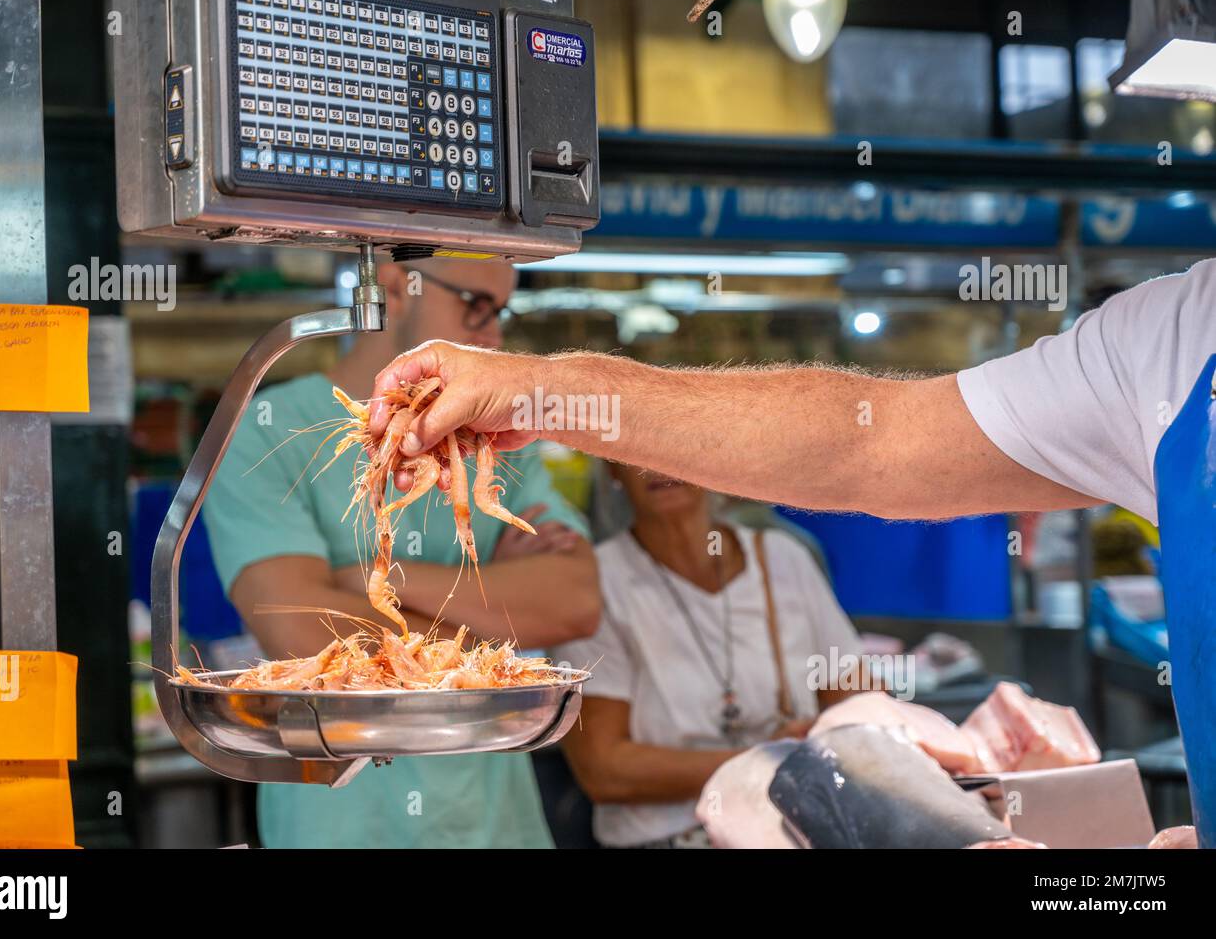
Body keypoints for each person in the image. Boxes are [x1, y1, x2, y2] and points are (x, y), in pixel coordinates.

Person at [369, 259, 1216, 847]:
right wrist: (541, 390)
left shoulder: (783, 562)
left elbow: (849, 700)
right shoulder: (1166, 340)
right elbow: (870, 439)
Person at [203, 258, 600, 849]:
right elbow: (296, 630)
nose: (492, 337)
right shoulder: (266, 429)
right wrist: (497, 612)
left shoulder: (495, 437)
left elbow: (575, 599)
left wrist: (369, 579)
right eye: (475, 305)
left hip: (497, 825)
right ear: (392, 280)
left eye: (501, 312)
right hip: (340, 824)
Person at [555, 464, 864, 848]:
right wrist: (766, 760)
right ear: (611, 468)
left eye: (671, 441)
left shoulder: (783, 559)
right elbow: (604, 769)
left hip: (791, 829)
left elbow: (859, 700)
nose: (654, 463)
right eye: (632, 447)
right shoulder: (596, 585)